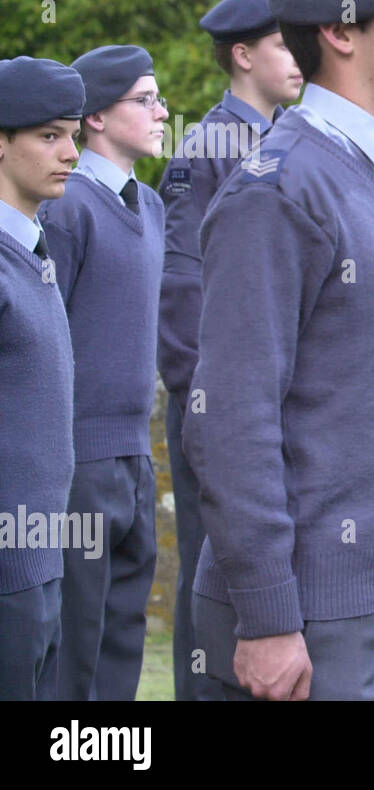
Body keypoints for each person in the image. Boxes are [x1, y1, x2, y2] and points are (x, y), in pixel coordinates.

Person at [183, 0, 374, 701]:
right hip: (301, 620)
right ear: (340, 30)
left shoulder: (353, 174)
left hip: (355, 604)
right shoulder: (281, 189)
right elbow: (229, 416)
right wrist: (267, 618)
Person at [157, 0, 302, 701]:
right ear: (242, 55)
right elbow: (182, 293)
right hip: (218, 409)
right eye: (283, 44)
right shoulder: (208, 149)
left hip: (260, 404)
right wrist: (206, 405)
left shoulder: (278, 140)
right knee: (210, 576)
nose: (299, 56)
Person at [40, 44, 166, 701]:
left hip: (135, 457)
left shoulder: (151, 206)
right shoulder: (65, 209)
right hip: (79, 463)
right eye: (145, 100)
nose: (162, 111)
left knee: (123, 635)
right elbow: (41, 335)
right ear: (94, 118)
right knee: (74, 649)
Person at [0, 58, 83, 701]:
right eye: (50, 136)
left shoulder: (34, 248)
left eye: (74, 135)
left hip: (40, 558)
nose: (72, 154)